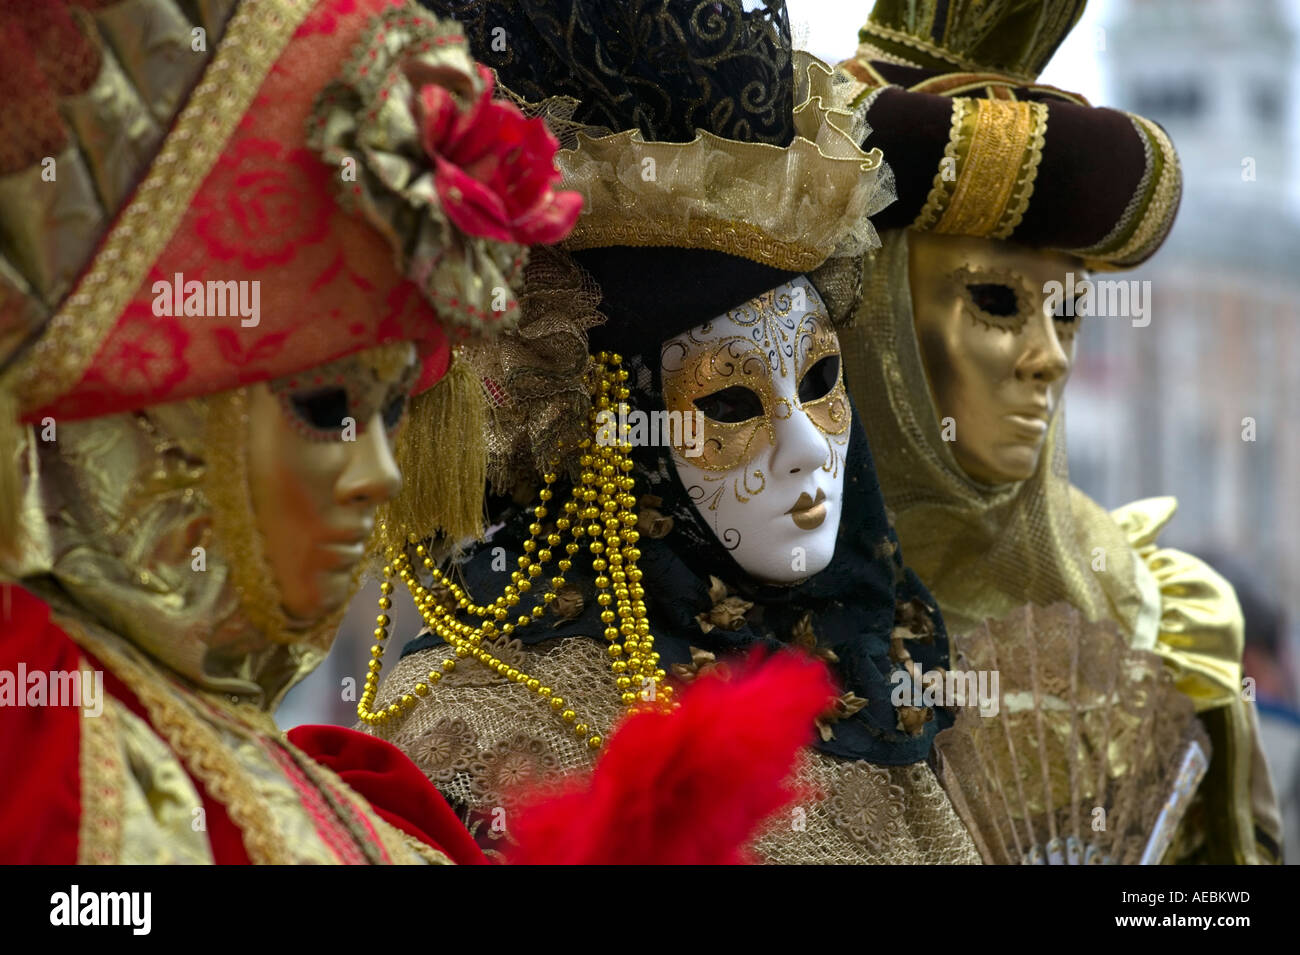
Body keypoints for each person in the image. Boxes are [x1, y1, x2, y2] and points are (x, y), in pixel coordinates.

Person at [364, 0, 983, 864]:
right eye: (729, 402)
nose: (806, 446)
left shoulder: (884, 677)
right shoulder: (487, 725)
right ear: (615, 427)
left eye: (819, 381)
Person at [0, 0, 580, 864]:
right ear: (150, 415)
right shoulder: (40, 755)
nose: (379, 475)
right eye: (327, 408)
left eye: (391, 413)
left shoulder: (375, 803)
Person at [835, 0, 1280, 864]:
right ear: (874, 315)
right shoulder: (722, 621)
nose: (1049, 360)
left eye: (1069, 311)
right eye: (995, 301)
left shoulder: (1160, 625)